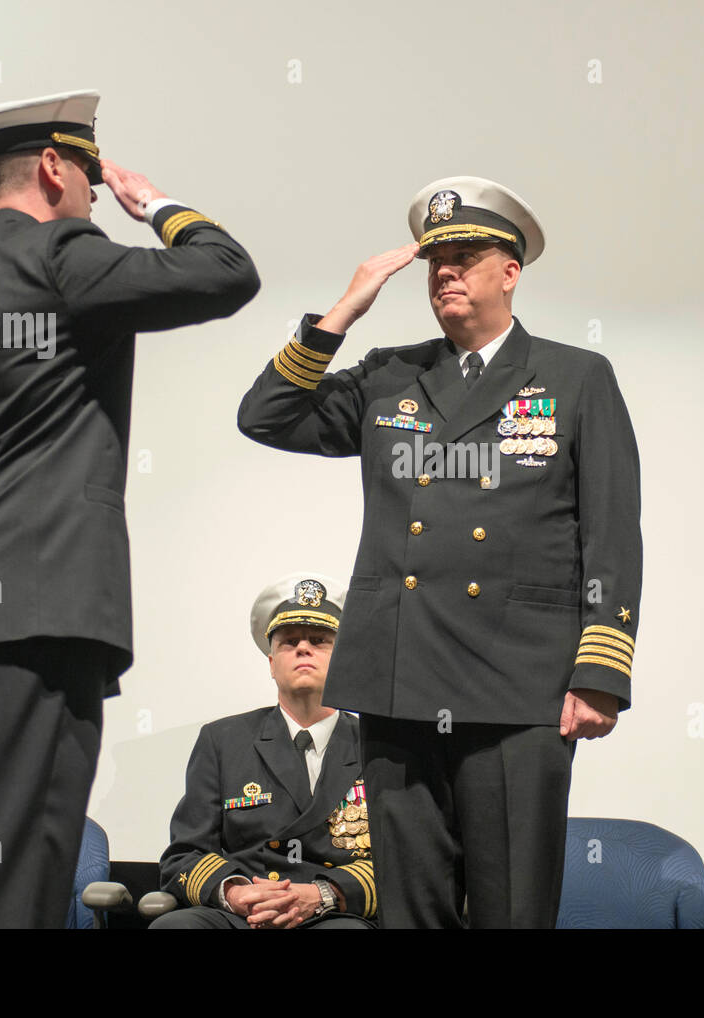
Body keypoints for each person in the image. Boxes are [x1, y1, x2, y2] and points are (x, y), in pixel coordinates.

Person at [0, 89, 260, 927]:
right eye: (90, 172)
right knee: (17, 872)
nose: (96, 192)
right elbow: (228, 273)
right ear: (54, 167)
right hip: (41, 619)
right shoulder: (61, 256)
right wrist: (158, 205)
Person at [237, 177, 643, 928]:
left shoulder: (575, 378)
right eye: (436, 261)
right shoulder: (391, 374)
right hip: (402, 682)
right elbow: (266, 417)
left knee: (512, 909)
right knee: (412, 912)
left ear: (510, 271)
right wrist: (342, 314)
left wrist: (601, 673)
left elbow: (611, 533)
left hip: (519, 689)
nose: (446, 272)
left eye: (465, 256)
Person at [151, 575, 376, 929]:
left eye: (319, 641)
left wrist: (323, 894)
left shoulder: (379, 746)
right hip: (246, 910)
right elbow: (184, 854)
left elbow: (405, 857)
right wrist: (236, 892)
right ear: (272, 663)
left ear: (344, 658)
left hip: (335, 910)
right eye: (289, 642)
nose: (303, 648)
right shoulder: (222, 740)